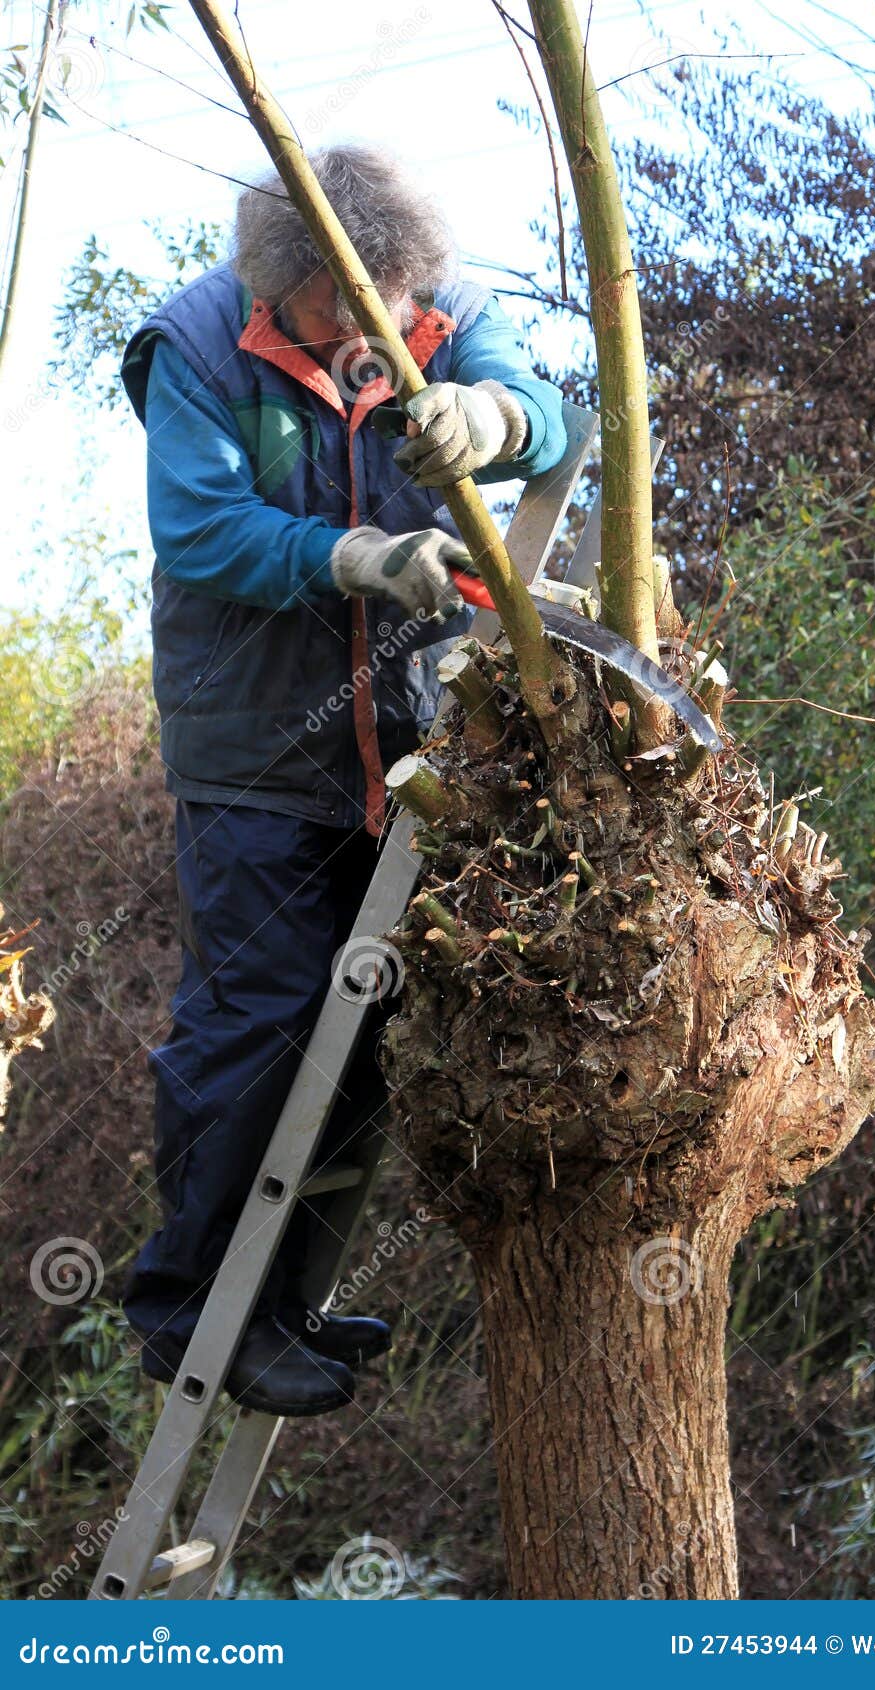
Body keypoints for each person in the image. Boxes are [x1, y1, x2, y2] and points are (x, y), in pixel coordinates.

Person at [120, 144, 567, 1417]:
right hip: (256, 757)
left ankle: (286, 1296)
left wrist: (492, 418)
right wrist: (358, 558)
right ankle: (196, 1311)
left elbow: (546, 412)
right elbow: (200, 529)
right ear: (283, 283)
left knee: (368, 1027)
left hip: (401, 748)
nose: (375, 327)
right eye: (343, 305)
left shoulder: (430, 307)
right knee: (255, 1022)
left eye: (392, 298)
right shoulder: (196, 347)